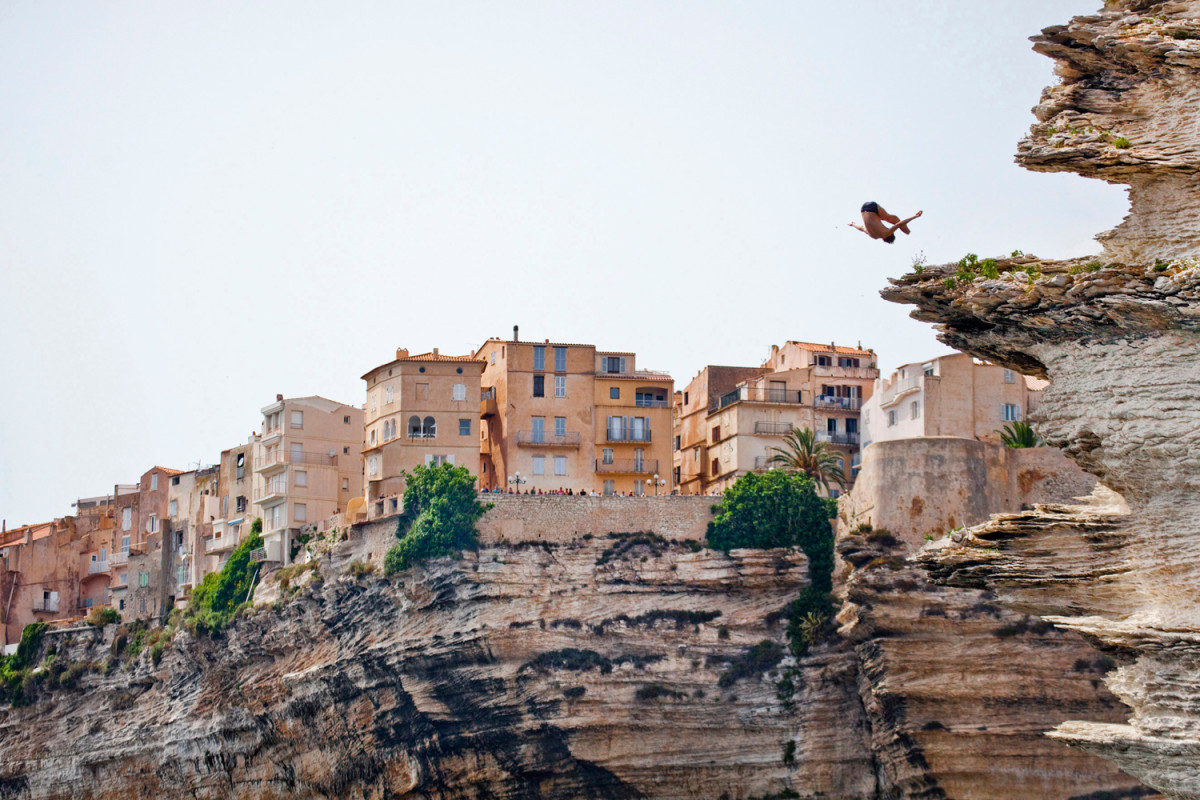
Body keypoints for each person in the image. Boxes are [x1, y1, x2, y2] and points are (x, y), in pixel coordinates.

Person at [849, 202, 922, 243]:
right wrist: (853, 224)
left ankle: (907, 231)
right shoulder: (873, 236)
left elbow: (900, 224)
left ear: (890, 235)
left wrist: (915, 216)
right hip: (863, 209)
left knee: (890, 218)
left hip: (872, 207)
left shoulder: (887, 233)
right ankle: (881, 218)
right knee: (886, 218)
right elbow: (861, 228)